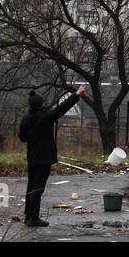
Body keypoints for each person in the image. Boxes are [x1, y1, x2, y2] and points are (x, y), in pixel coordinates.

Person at [18, 83, 87, 227]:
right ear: (40, 104)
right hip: (44, 159)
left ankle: (28, 215)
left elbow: (22, 138)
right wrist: (77, 94)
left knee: (31, 187)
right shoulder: (45, 116)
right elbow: (62, 108)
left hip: (32, 157)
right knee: (38, 188)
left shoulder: (26, 119)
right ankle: (33, 218)